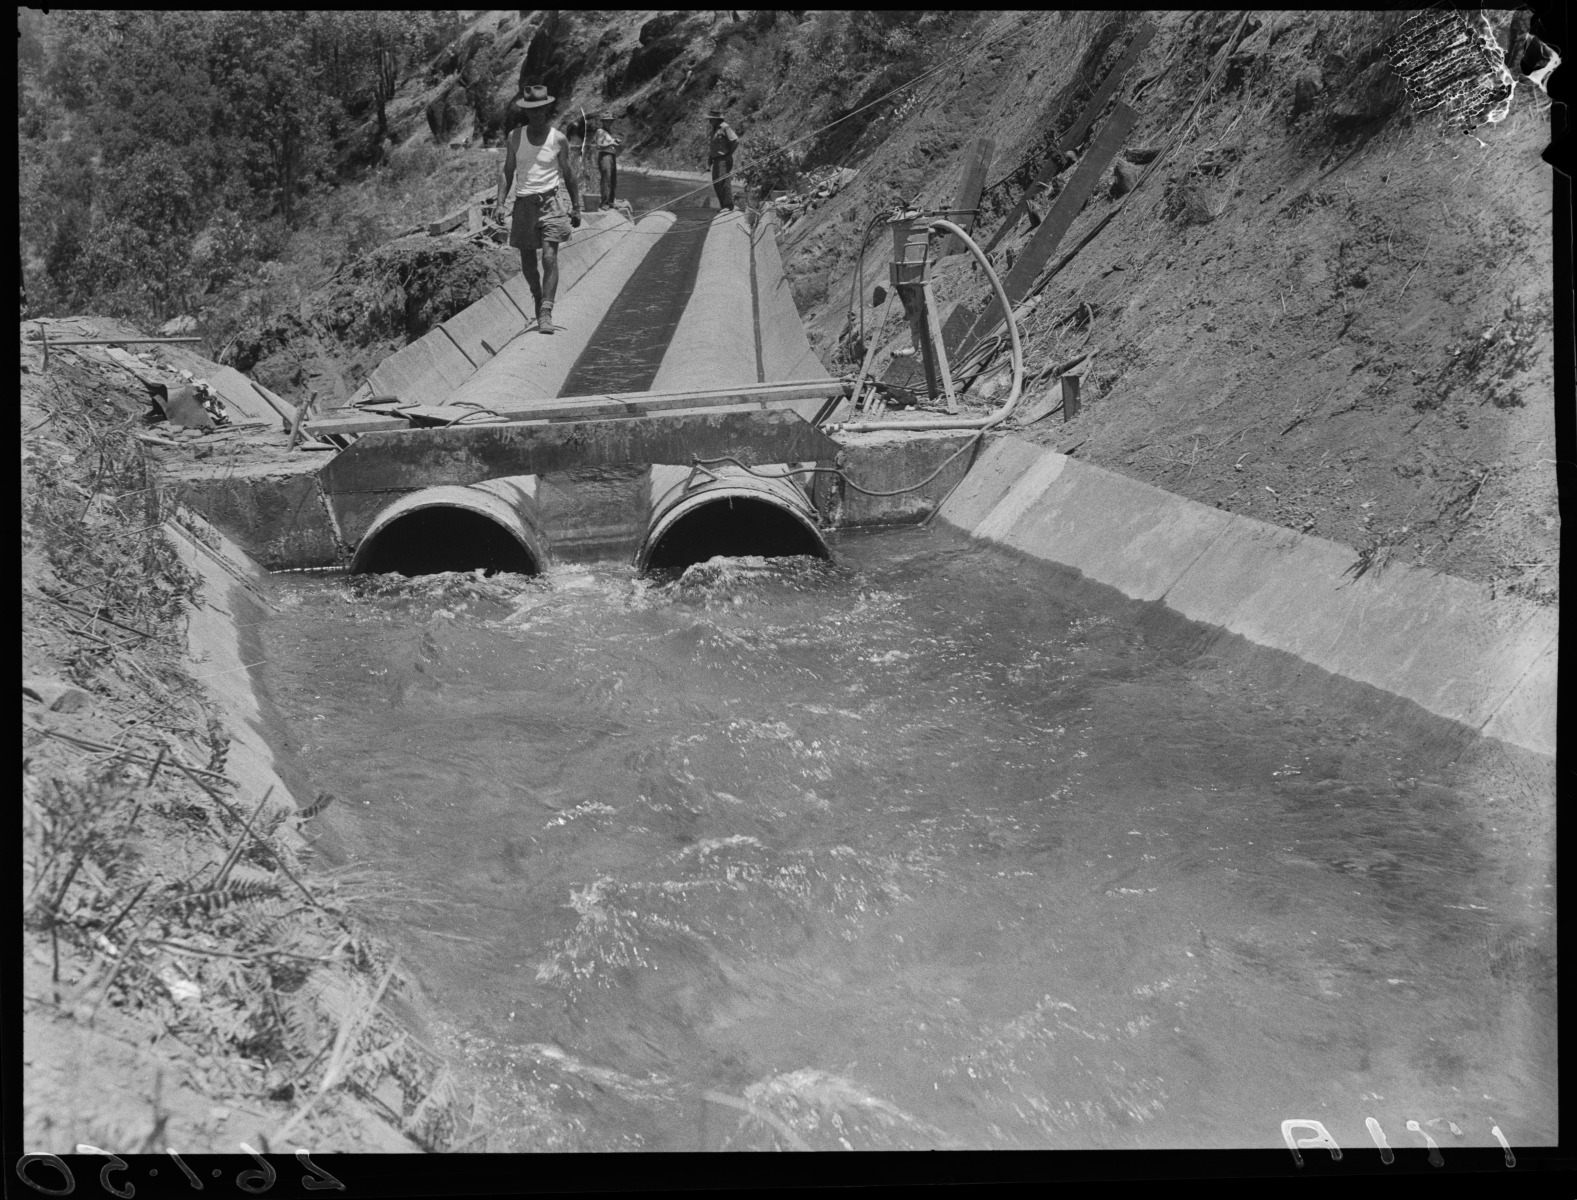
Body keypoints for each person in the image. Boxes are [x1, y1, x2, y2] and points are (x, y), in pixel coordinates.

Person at [497, 84, 583, 334]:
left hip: (550, 203)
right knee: (527, 263)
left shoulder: (558, 139)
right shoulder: (515, 137)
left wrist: (576, 206)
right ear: (526, 111)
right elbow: (507, 171)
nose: (535, 114)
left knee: (549, 256)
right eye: (531, 110)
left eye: (540, 109)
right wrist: (499, 204)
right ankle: (537, 295)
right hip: (524, 204)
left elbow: (568, 173)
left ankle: (546, 311)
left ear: (547, 109)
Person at [705, 109, 740, 211]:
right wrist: (709, 161)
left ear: (717, 119)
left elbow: (735, 141)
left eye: (711, 119)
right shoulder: (713, 130)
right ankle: (723, 206)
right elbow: (713, 147)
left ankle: (729, 206)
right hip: (716, 160)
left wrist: (729, 154)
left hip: (723, 159)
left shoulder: (724, 127)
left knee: (723, 181)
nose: (709, 121)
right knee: (716, 183)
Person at [594, 112, 622, 208]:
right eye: (606, 121)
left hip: (611, 156)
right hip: (605, 156)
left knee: (613, 180)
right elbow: (598, 146)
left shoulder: (608, 133)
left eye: (610, 121)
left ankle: (611, 201)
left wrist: (615, 142)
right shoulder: (600, 131)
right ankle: (604, 203)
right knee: (606, 179)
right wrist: (611, 143)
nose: (608, 123)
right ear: (603, 122)